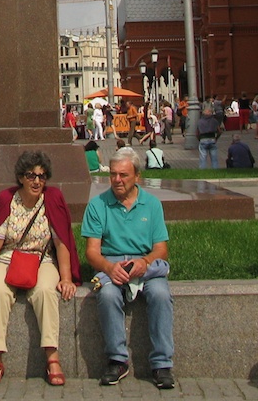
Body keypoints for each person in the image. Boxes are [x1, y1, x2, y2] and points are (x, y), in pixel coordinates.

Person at [0, 150, 80, 386]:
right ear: (20, 177)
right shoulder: (7, 200)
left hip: (41, 260)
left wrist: (66, 278)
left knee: (46, 292)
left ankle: (52, 358)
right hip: (8, 258)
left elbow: (61, 242)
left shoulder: (52, 199)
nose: (37, 181)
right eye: (31, 175)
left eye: (42, 176)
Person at [81, 147, 175, 390]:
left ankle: (162, 363)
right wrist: (110, 268)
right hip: (111, 263)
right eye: (113, 174)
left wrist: (144, 263)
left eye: (123, 175)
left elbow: (160, 250)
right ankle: (117, 360)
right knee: (108, 294)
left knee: (161, 294)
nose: (117, 180)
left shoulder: (152, 205)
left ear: (137, 177)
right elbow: (92, 251)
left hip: (144, 264)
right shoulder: (97, 205)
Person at [196, 104, 221, 170]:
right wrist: (216, 138)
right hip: (212, 138)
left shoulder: (200, 121)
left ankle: (203, 170)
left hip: (203, 139)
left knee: (203, 157)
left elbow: (197, 133)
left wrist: (199, 139)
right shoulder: (214, 121)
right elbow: (219, 131)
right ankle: (215, 169)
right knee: (214, 157)